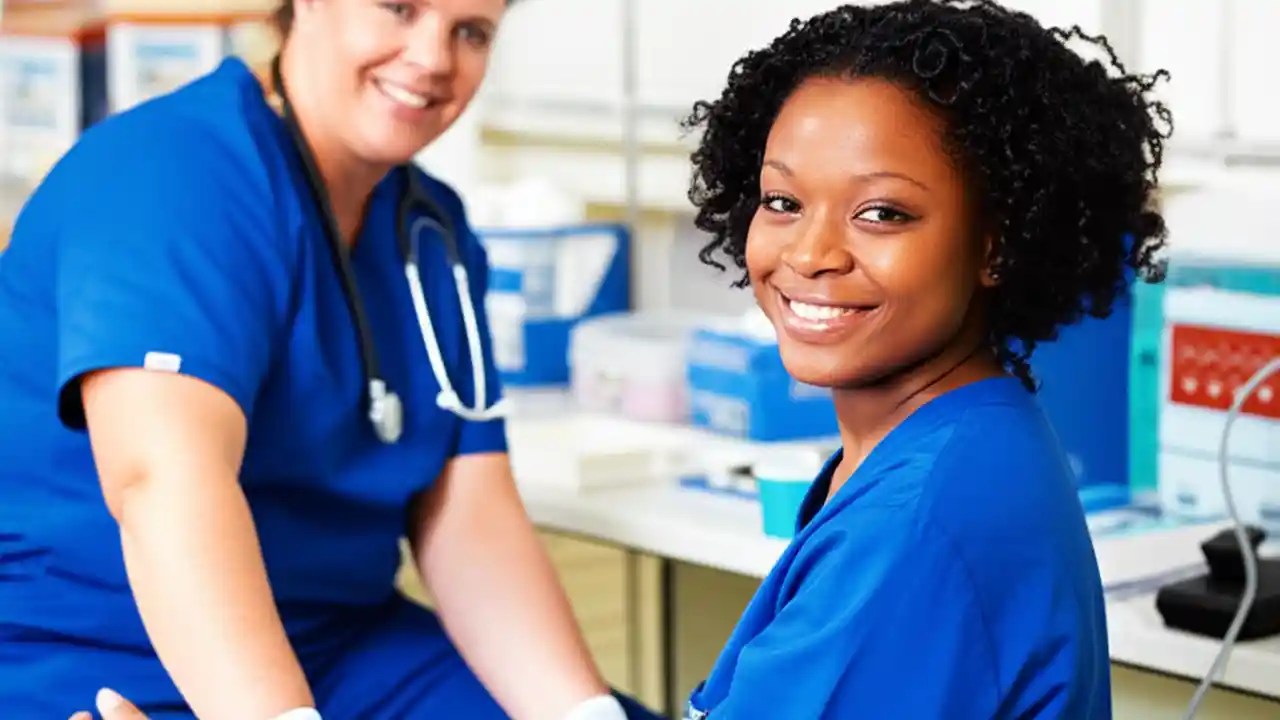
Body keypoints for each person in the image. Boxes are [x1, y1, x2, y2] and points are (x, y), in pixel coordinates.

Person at [0, 1, 658, 719]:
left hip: (348, 651)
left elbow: (468, 513)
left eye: (470, 32)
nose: (434, 57)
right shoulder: (167, 175)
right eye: (399, 8)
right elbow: (165, 486)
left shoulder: (430, 230)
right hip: (103, 655)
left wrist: (581, 713)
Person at [679, 1, 1170, 717]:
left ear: (995, 245)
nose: (810, 254)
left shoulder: (918, 523)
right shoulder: (964, 435)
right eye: (782, 200)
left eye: (880, 213)